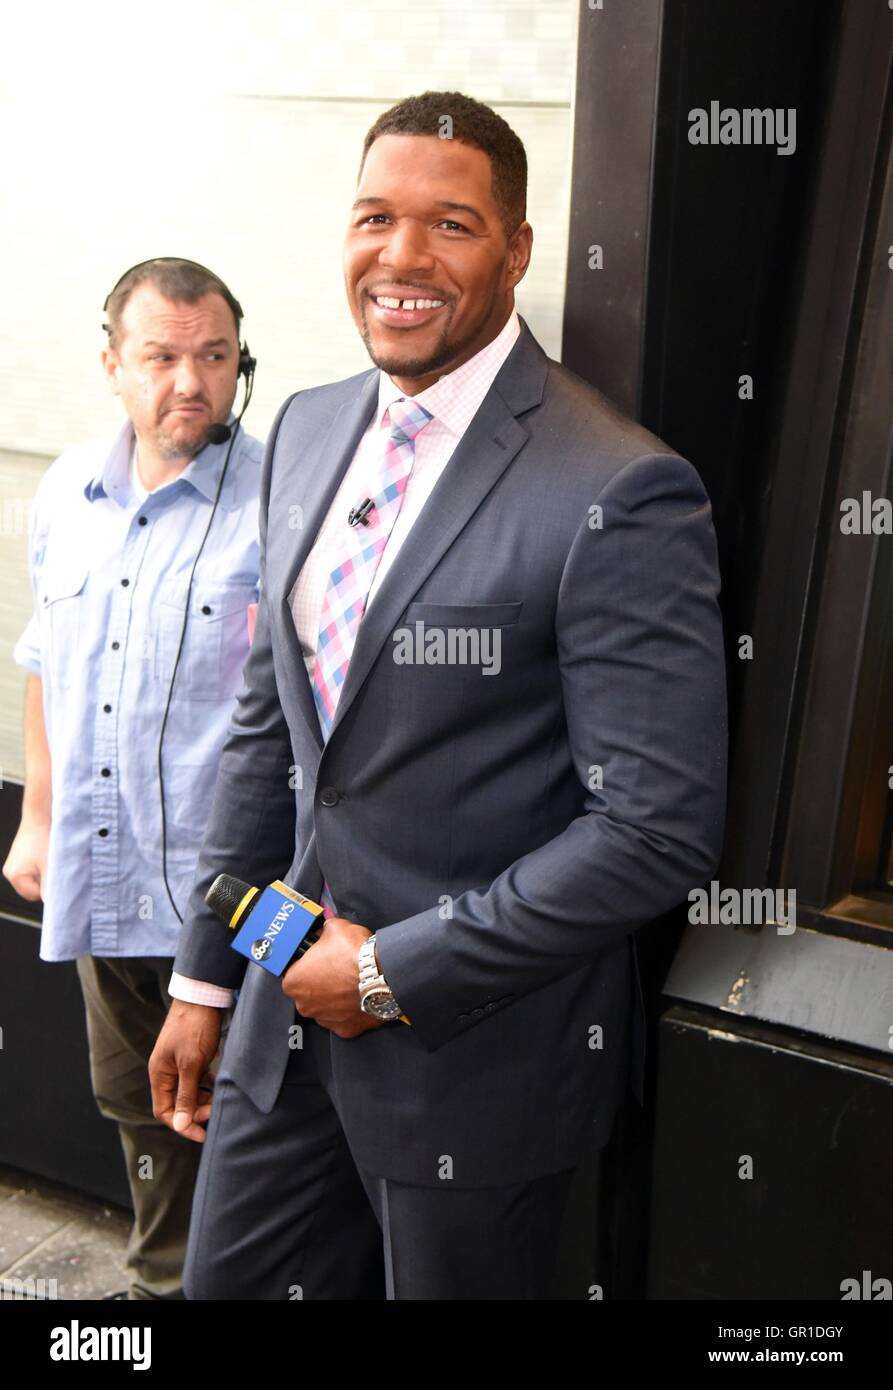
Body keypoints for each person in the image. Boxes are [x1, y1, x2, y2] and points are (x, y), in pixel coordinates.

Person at [152, 92, 728, 1301]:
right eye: (374, 216)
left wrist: (387, 972)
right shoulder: (308, 429)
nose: (401, 258)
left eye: (451, 225)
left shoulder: (620, 485)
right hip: (279, 1039)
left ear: (517, 249)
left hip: (477, 1070)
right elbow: (273, 730)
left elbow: (654, 831)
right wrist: (208, 980)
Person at [3, 257, 264, 1300]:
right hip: (102, 874)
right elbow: (42, 658)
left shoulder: (280, 497)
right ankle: (163, 1287)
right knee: (134, 1106)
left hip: (228, 899)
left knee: (241, 1121)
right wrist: (37, 816)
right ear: (112, 363)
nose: (189, 382)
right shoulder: (67, 487)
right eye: (161, 357)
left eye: (213, 357)